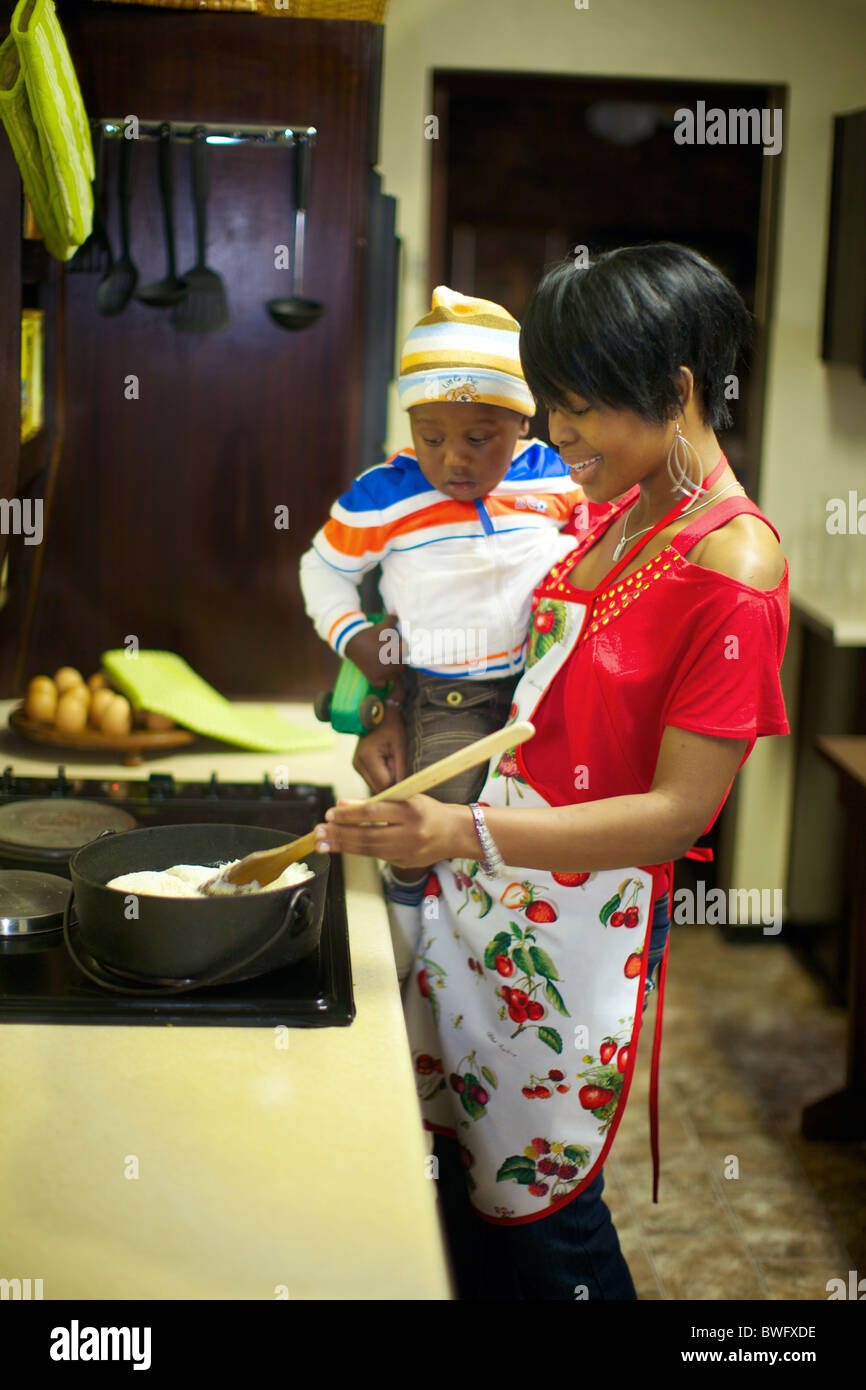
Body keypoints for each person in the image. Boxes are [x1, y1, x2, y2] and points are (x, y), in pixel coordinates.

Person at [313, 244, 790, 1300]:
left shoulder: (732, 567)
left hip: (584, 913)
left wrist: (458, 835)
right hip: (495, 879)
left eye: (576, 407)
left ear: (671, 391)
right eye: (552, 403)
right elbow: (453, 607)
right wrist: (379, 704)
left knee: (542, 1200)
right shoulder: (616, 507)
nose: (557, 434)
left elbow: (673, 816)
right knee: (462, 1168)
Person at [300, 285, 585, 914]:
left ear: (523, 422)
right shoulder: (386, 495)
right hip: (449, 697)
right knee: (437, 814)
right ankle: (403, 914)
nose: (453, 459)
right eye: (430, 437)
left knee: (527, 844)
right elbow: (320, 568)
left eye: (480, 438)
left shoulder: (556, 476)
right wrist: (352, 635)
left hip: (542, 693)